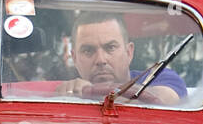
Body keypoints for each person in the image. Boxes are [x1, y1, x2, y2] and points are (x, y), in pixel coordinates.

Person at [57, 13, 187, 106]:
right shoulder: (64, 93)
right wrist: (65, 94)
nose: (101, 60)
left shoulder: (160, 78)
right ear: (74, 58)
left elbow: (164, 98)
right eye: (88, 50)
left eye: (110, 47)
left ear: (129, 52)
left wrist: (91, 91)